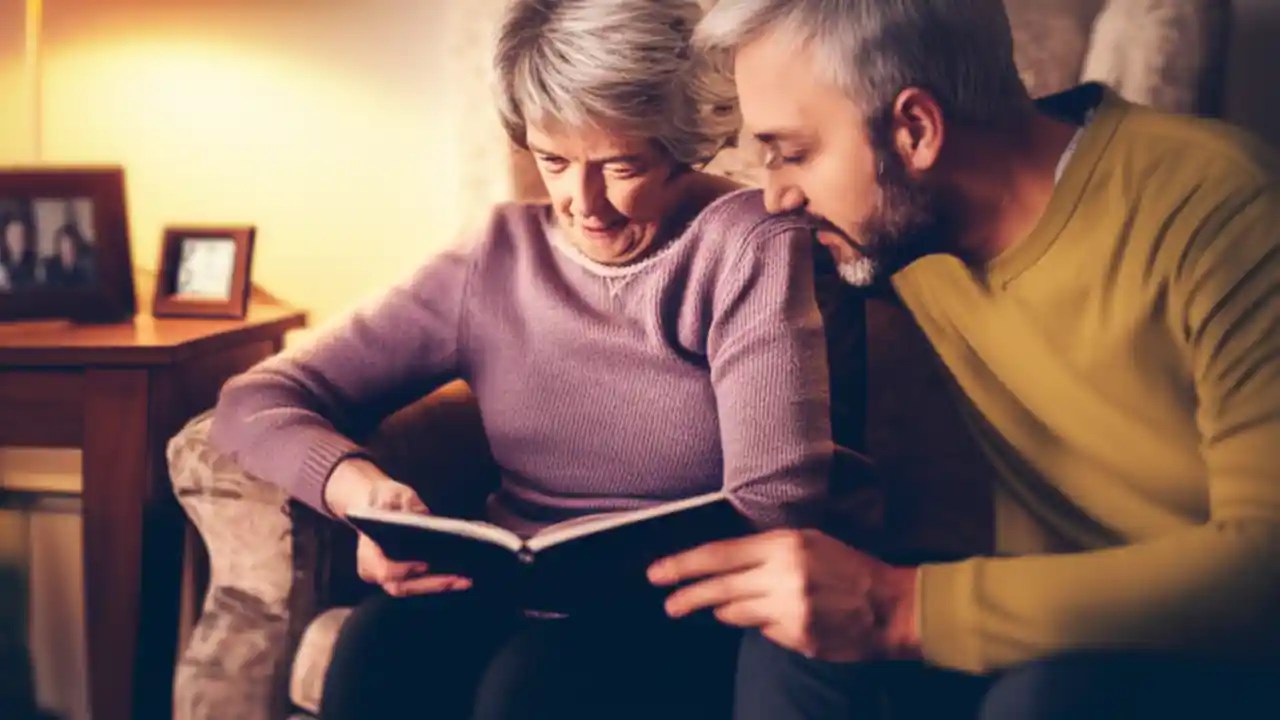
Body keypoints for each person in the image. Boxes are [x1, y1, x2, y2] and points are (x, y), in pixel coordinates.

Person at [211, 1, 866, 718]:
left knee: (532, 687)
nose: (583, 204)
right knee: (377, 648)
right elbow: (257, 400)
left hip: (685, 601)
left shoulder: (746, 242)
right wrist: (362, 495)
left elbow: (778, 502)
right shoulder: (496, 255)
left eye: (621, 166)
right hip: (511, 586)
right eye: (553, 160)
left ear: (681, 144)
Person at [647, 1, 1280, 718]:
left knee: (1050, 696)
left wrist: (902, 611)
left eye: (792, 153)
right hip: (1033, 625)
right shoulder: (907, 224)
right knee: (788, 642)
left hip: (1213, 652)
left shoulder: (1219, 208)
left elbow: (1266, 569)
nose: (776, 197)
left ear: (916, 130)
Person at [42, 224, 96, 289]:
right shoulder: (52, 266)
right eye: (64, 244)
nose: (67, 249)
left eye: (71, 244)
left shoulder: (84, 267)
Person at [0, 215, 39, 291]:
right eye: (13, 235)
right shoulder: (1, 266)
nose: (17, 239)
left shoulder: (35, 264)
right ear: (7, 238)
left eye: (20, 234)